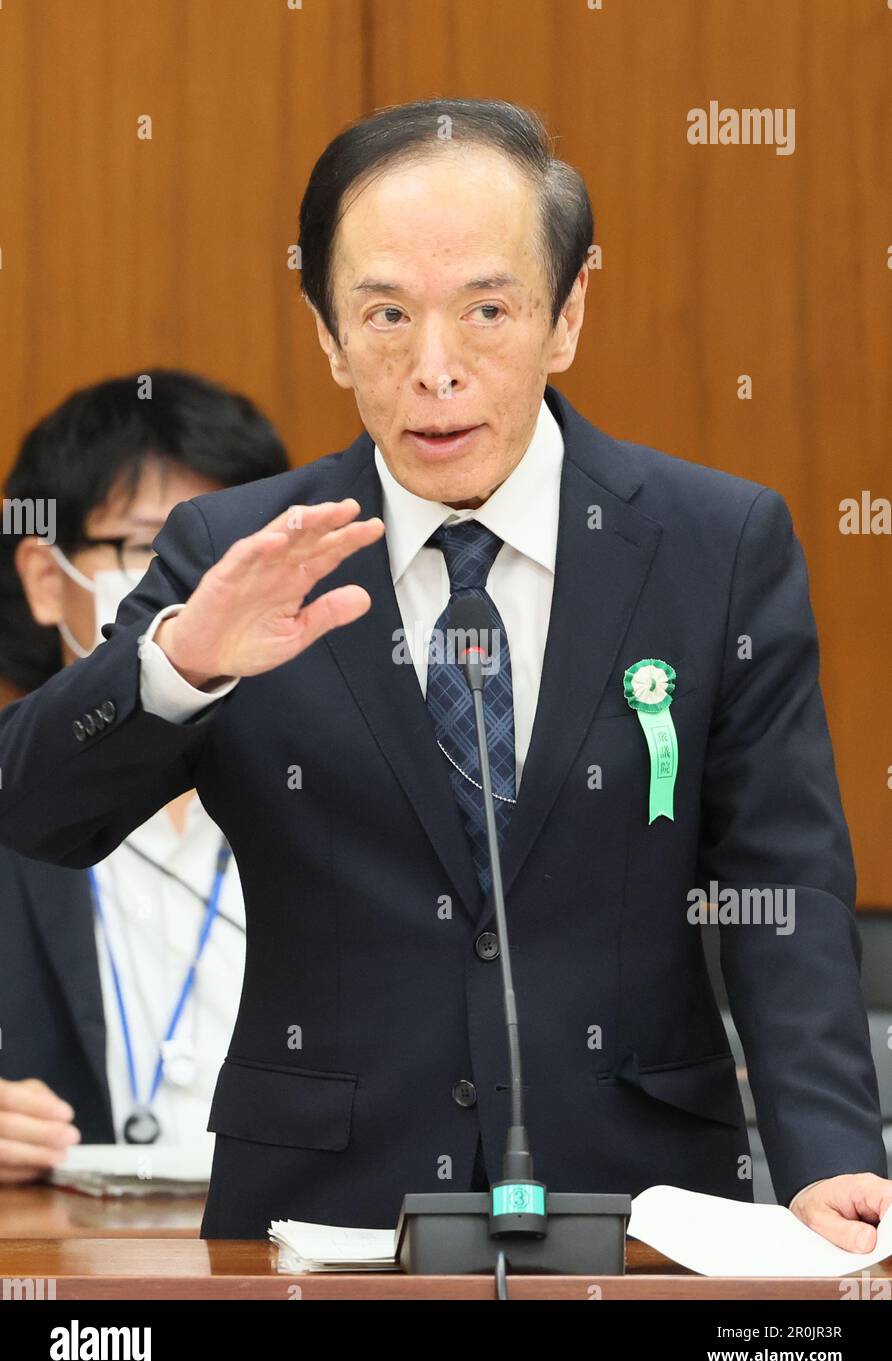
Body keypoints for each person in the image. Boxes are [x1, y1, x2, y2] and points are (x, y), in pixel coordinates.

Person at [0, 99, 887, 1248]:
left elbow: (785, 881)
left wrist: (828, 1159)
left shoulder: (712, 544)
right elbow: (33, 808)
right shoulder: (239, 552)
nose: (433, 370)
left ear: (565, 314)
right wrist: (177, 664)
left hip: (640, 1200)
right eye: (382, 314)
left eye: (486, 309)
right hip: (318, 1213)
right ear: (325, 332)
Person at [0, 369, 289, 1182]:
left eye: (234, 550)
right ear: (47, 576)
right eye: (150, 547)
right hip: (61, 1259)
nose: (196, 585)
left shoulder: (339, 787)